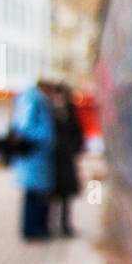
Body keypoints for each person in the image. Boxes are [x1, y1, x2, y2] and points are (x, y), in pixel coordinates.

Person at [10, 79, 56, 240]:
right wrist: (43, 138)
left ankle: (37, 228)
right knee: (33, 195)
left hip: (38, 157)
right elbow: (25, 126)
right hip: (35, 156)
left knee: (37, 195)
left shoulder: (33, 100)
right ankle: (32, 229)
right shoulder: (34, 101)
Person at [51, 84, 84, 237]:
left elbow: (78, 132)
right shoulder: (50, 112)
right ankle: (53, 224)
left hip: (66, 159)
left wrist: (76, 149)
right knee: (53, 195)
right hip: (55, 160)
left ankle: (65, 224)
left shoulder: (70, 112)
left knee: (66, 195)